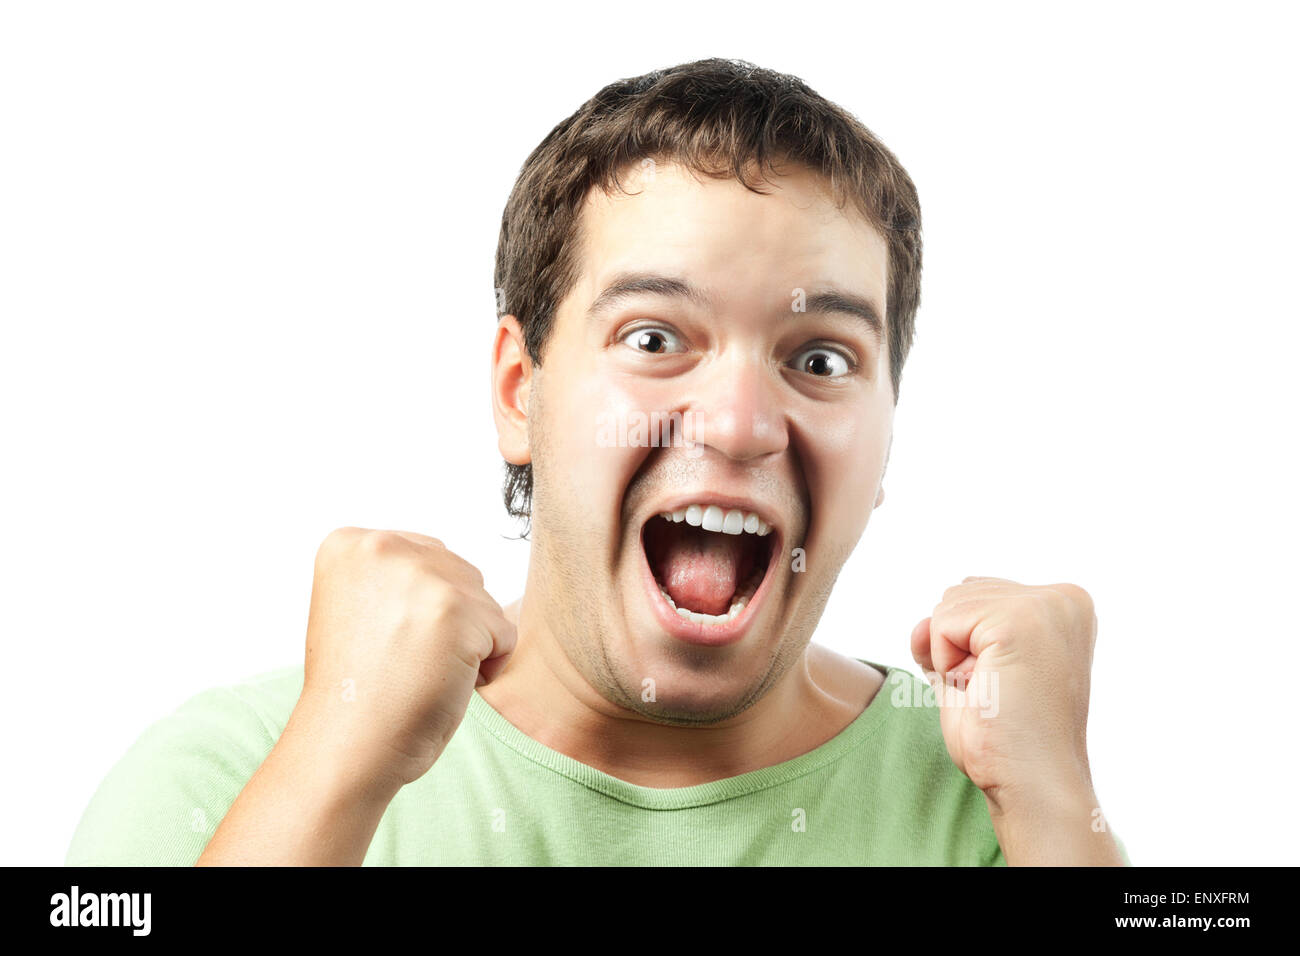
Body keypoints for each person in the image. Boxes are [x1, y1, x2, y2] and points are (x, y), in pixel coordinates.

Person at [67, 57, 1129, 866]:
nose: (740, 423)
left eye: (819, 356)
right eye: (656, 338)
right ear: (518, 391)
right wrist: (331, 772)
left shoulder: (990, 804)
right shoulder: (227, 778)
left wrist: (1053, 807)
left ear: (886, 433)